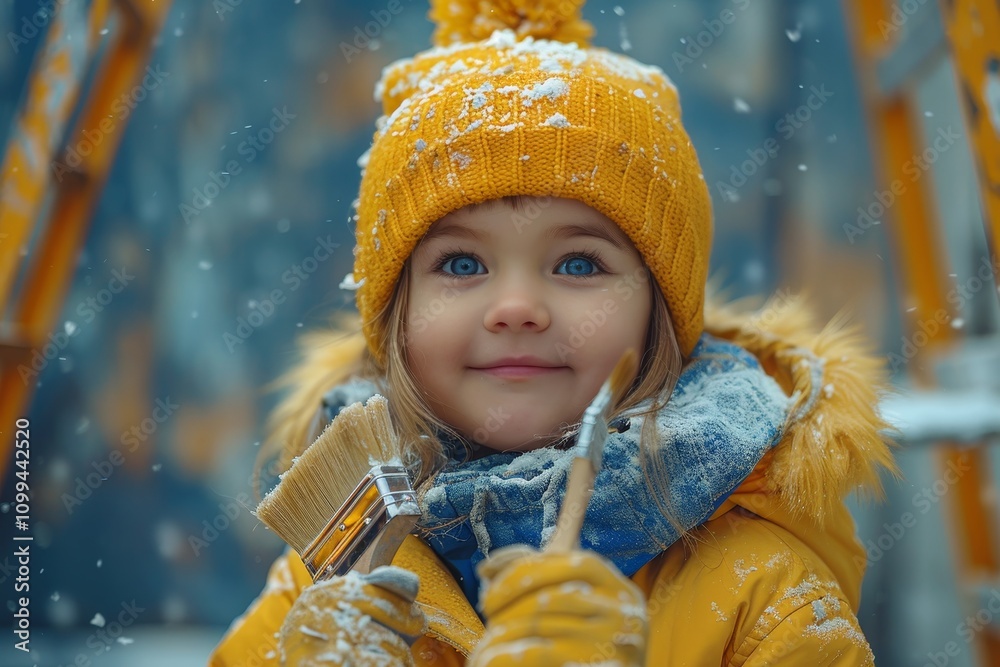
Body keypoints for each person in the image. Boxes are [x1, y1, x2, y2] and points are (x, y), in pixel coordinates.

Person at [210, 0, 897, 664]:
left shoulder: (762, 593)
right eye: (461, 262)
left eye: (577, 262)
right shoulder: (326, 579)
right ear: (394, 317)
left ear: (658, 316)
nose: (516, 306)